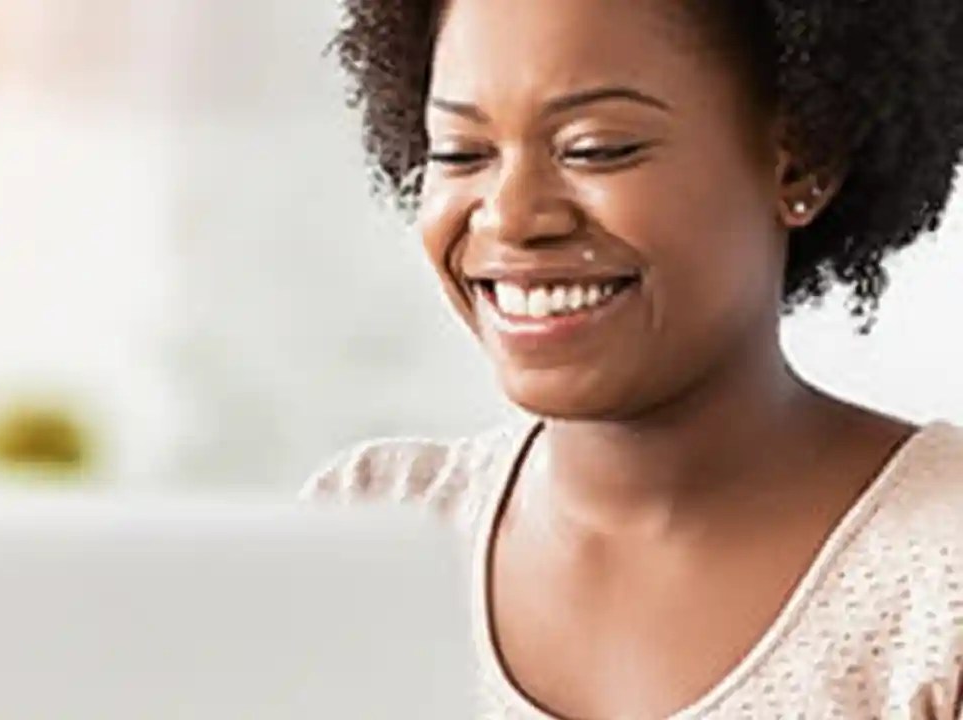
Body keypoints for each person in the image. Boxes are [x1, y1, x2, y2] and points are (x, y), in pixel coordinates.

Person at [301, 0, 963, 717]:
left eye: (595, 148)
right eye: (462, 153)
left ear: (801, 162)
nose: (512, 216)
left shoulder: (940, 577)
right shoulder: (369, 526)